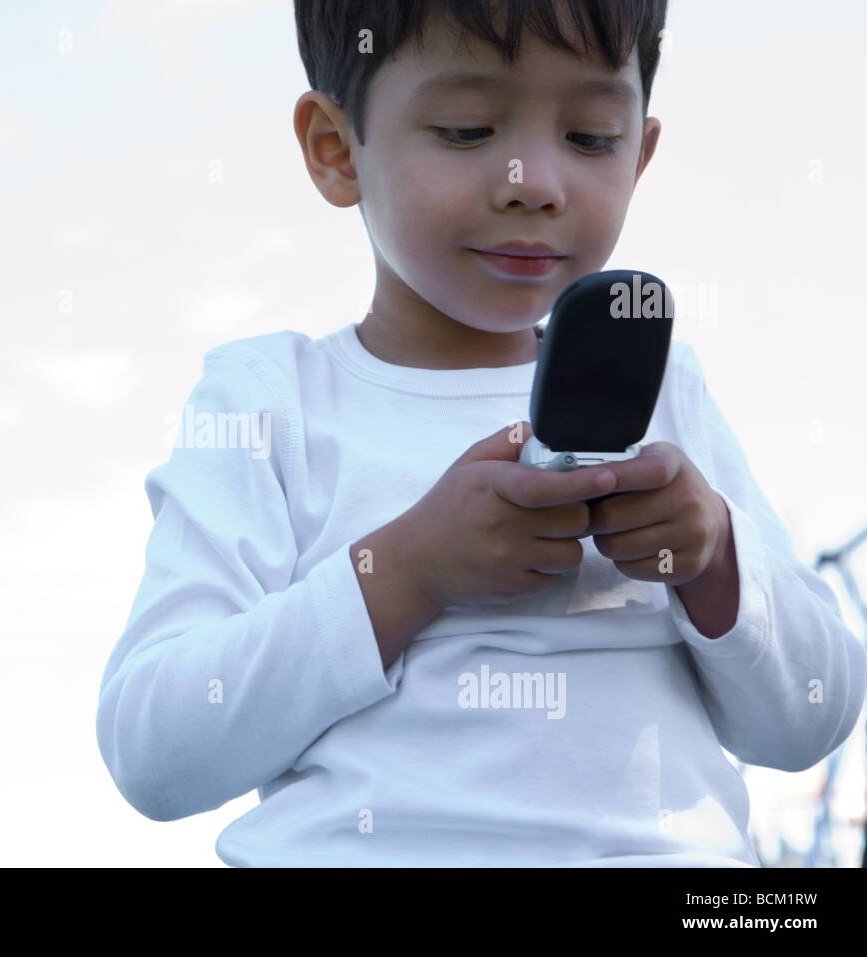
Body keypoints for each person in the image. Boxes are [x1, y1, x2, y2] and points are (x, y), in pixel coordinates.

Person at [95, 0, 867, 866]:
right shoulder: (271, 403)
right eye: (467, 130)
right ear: (336, 148)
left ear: (641, 155)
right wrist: (408, 570)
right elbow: (154, 749)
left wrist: (715, 558)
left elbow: (814, 712)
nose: (533, 180)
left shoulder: (666, 394)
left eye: (590, 137)